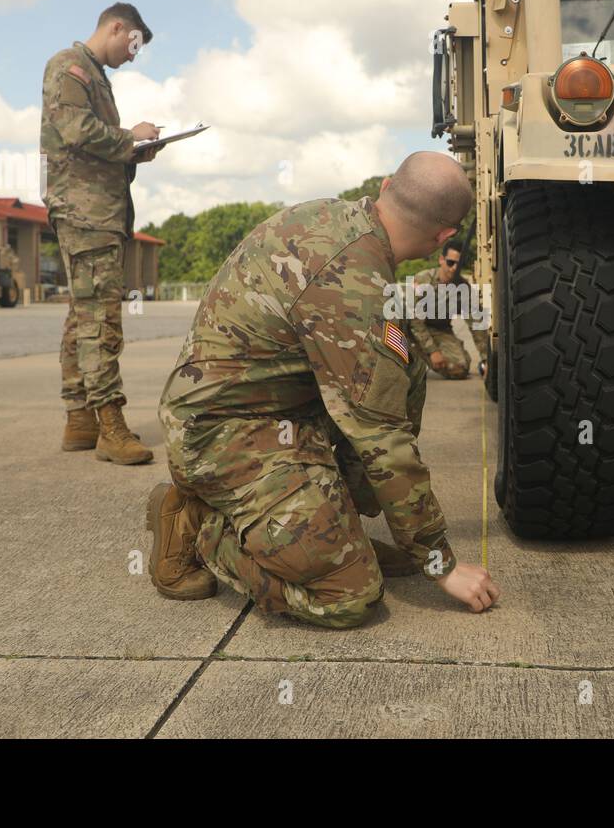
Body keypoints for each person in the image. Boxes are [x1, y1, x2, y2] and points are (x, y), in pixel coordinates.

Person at [149, 151, 502, 628]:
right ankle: (200, 527)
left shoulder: (337, 221)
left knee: (405, 371)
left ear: (382, 187)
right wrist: (440, 563)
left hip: (271, 410)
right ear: (444, 237)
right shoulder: (354, 281)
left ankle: (335, 531)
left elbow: (386, 383)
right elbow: (383, 440)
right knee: (350, 596)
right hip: (220, 433)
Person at [42, 2, 160, 465]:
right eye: (132, 45)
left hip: (98, 211)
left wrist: (136, 151)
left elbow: (94, 142)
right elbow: (77, 130)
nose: (132, 56)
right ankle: (111, 425)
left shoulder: (92, 75)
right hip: (86, 213)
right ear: (116, 27)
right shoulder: (69, 68)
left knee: (82, 316)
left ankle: (80, 420)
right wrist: (131, 138)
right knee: (100, 320)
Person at [407, 239, 491, 380]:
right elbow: (413, 320)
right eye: (451, 263)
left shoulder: (463, 288)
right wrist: (432, 351)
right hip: (411, 331)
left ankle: (419, 355)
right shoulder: (423, 280)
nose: (454, 268)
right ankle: (411, 354)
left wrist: (486, 359)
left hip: (439, 330)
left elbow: (476, 324)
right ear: (441, 259)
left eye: (459, 265)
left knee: (460, 368)